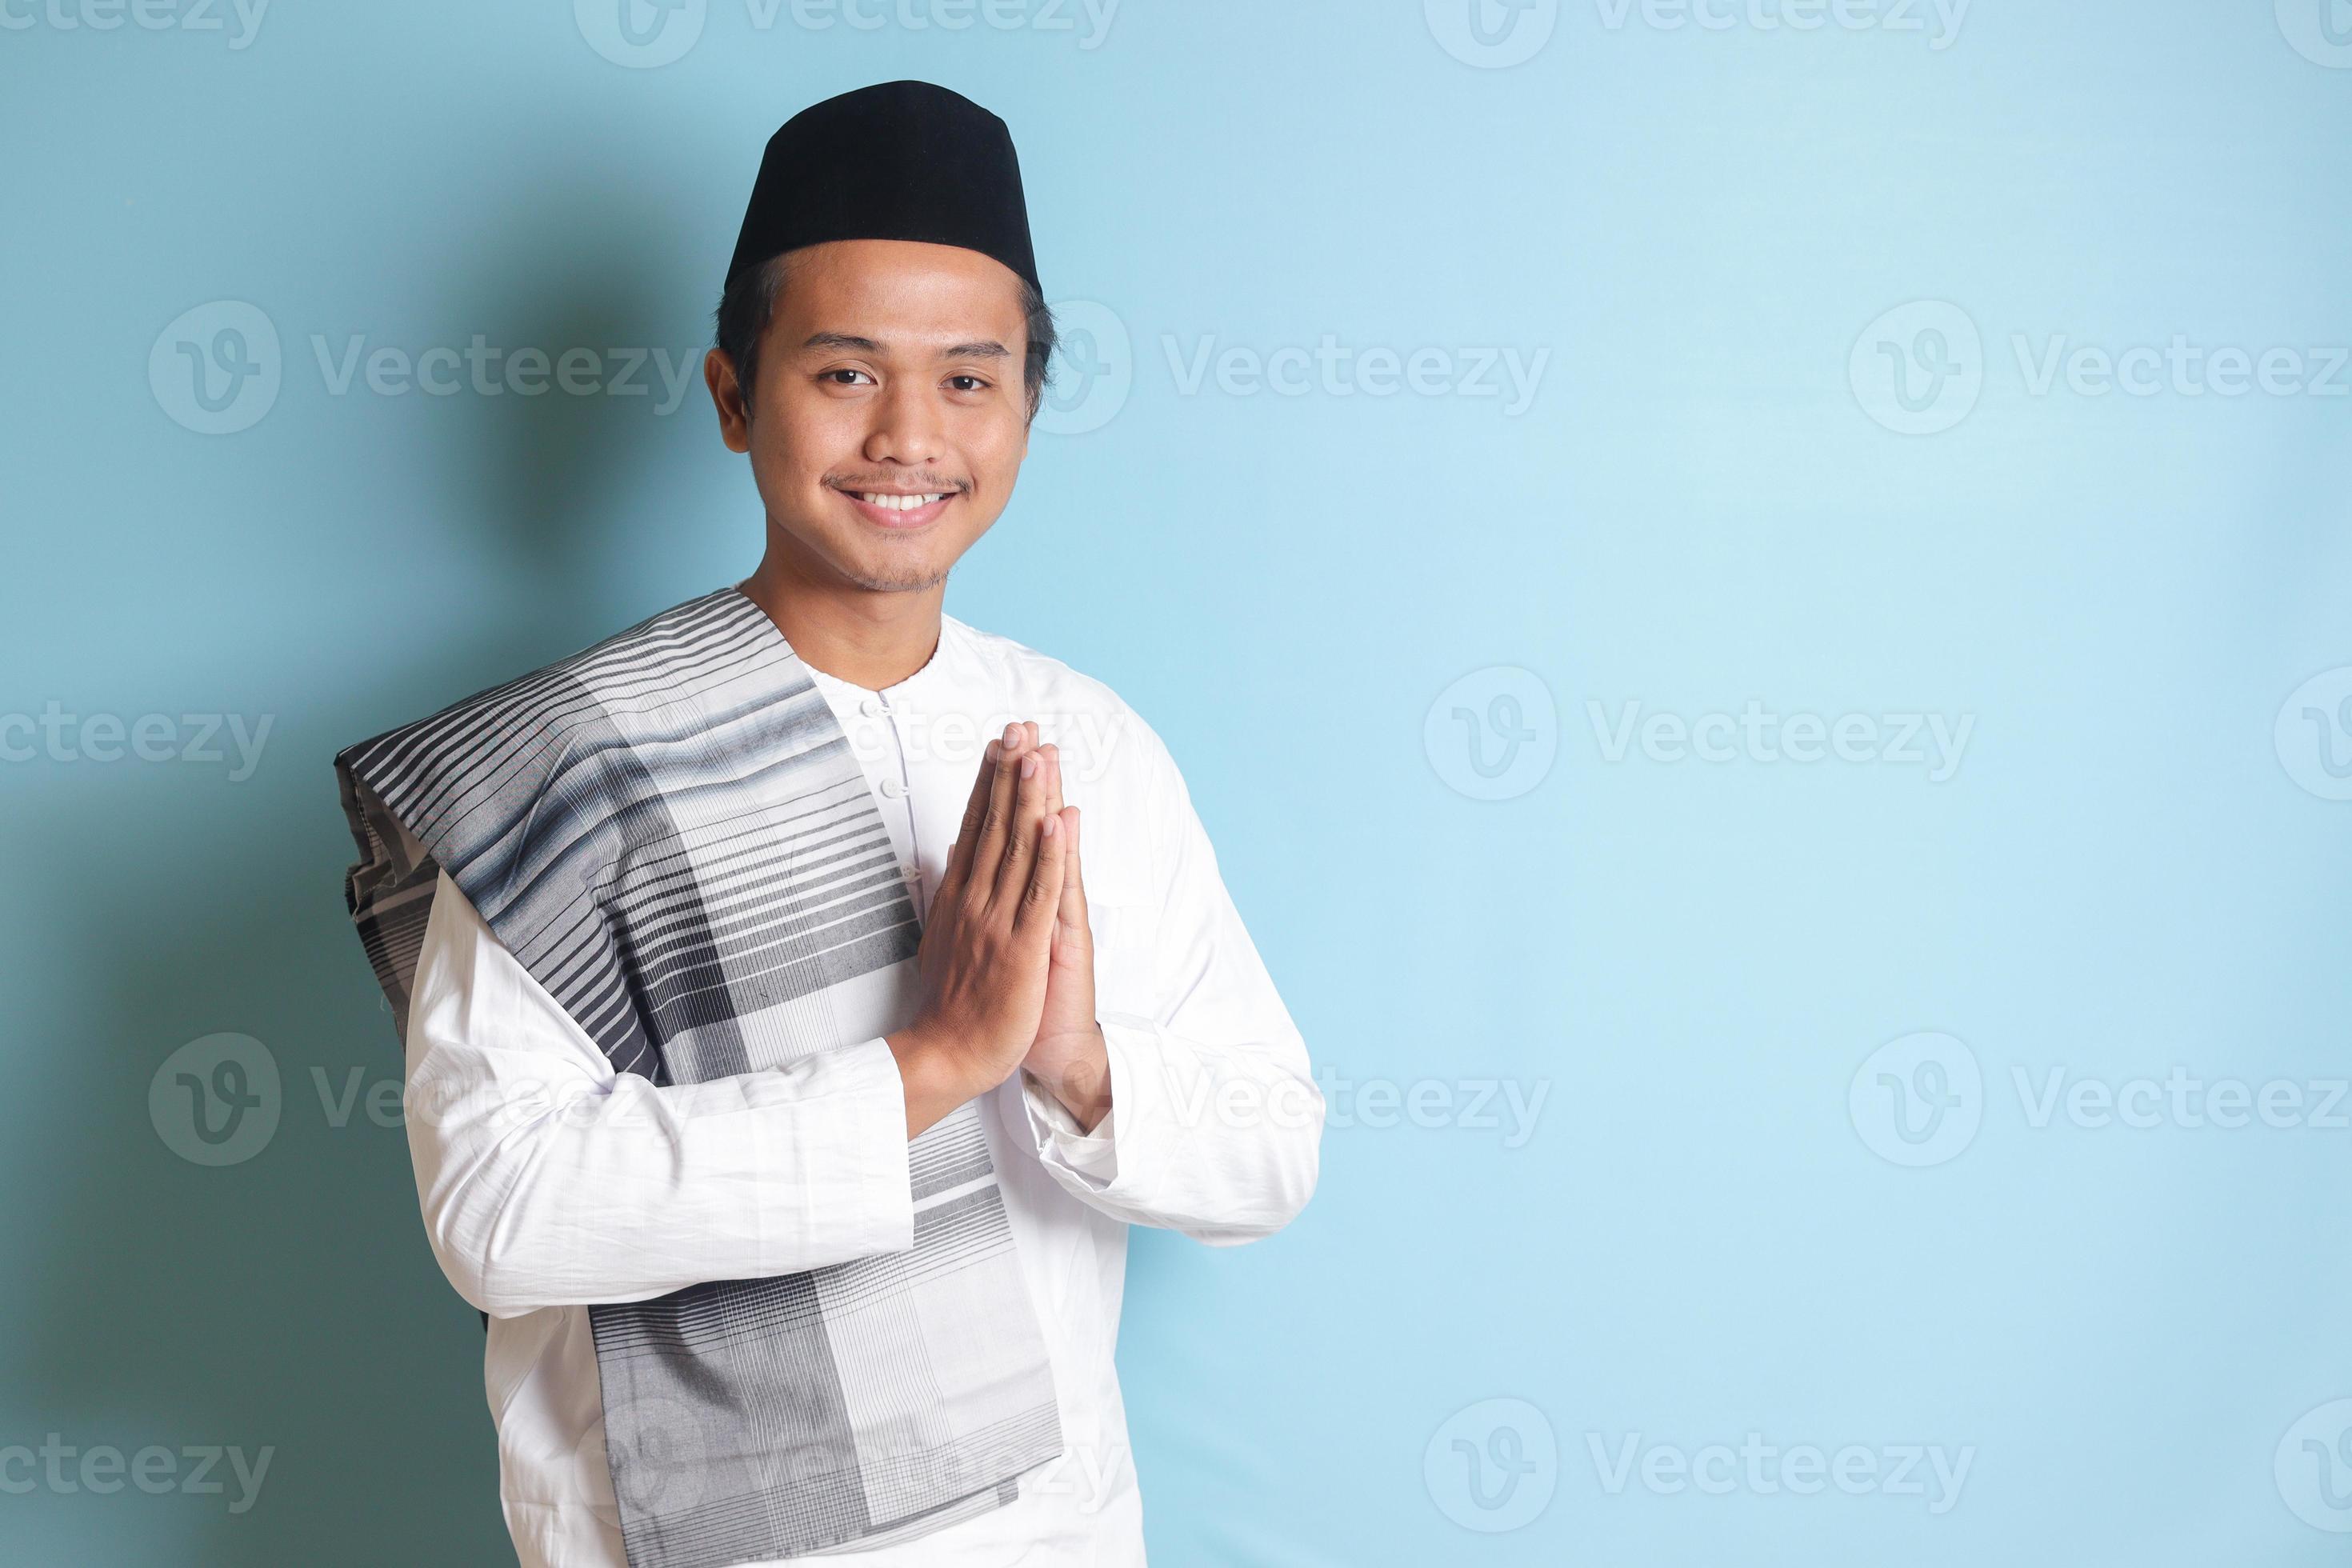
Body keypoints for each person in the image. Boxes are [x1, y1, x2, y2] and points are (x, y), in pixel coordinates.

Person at [330, 79, 1323, 1568]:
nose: (909, 437)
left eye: (970, 380)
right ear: (735, 397)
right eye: (846, 375)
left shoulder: (1089, 748)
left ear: (1028, 412)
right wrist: (926, 1068)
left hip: (1046, 1535)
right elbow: (499, 1210)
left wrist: (1072, 1058)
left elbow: (1270, 1153)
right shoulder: (568, 766)